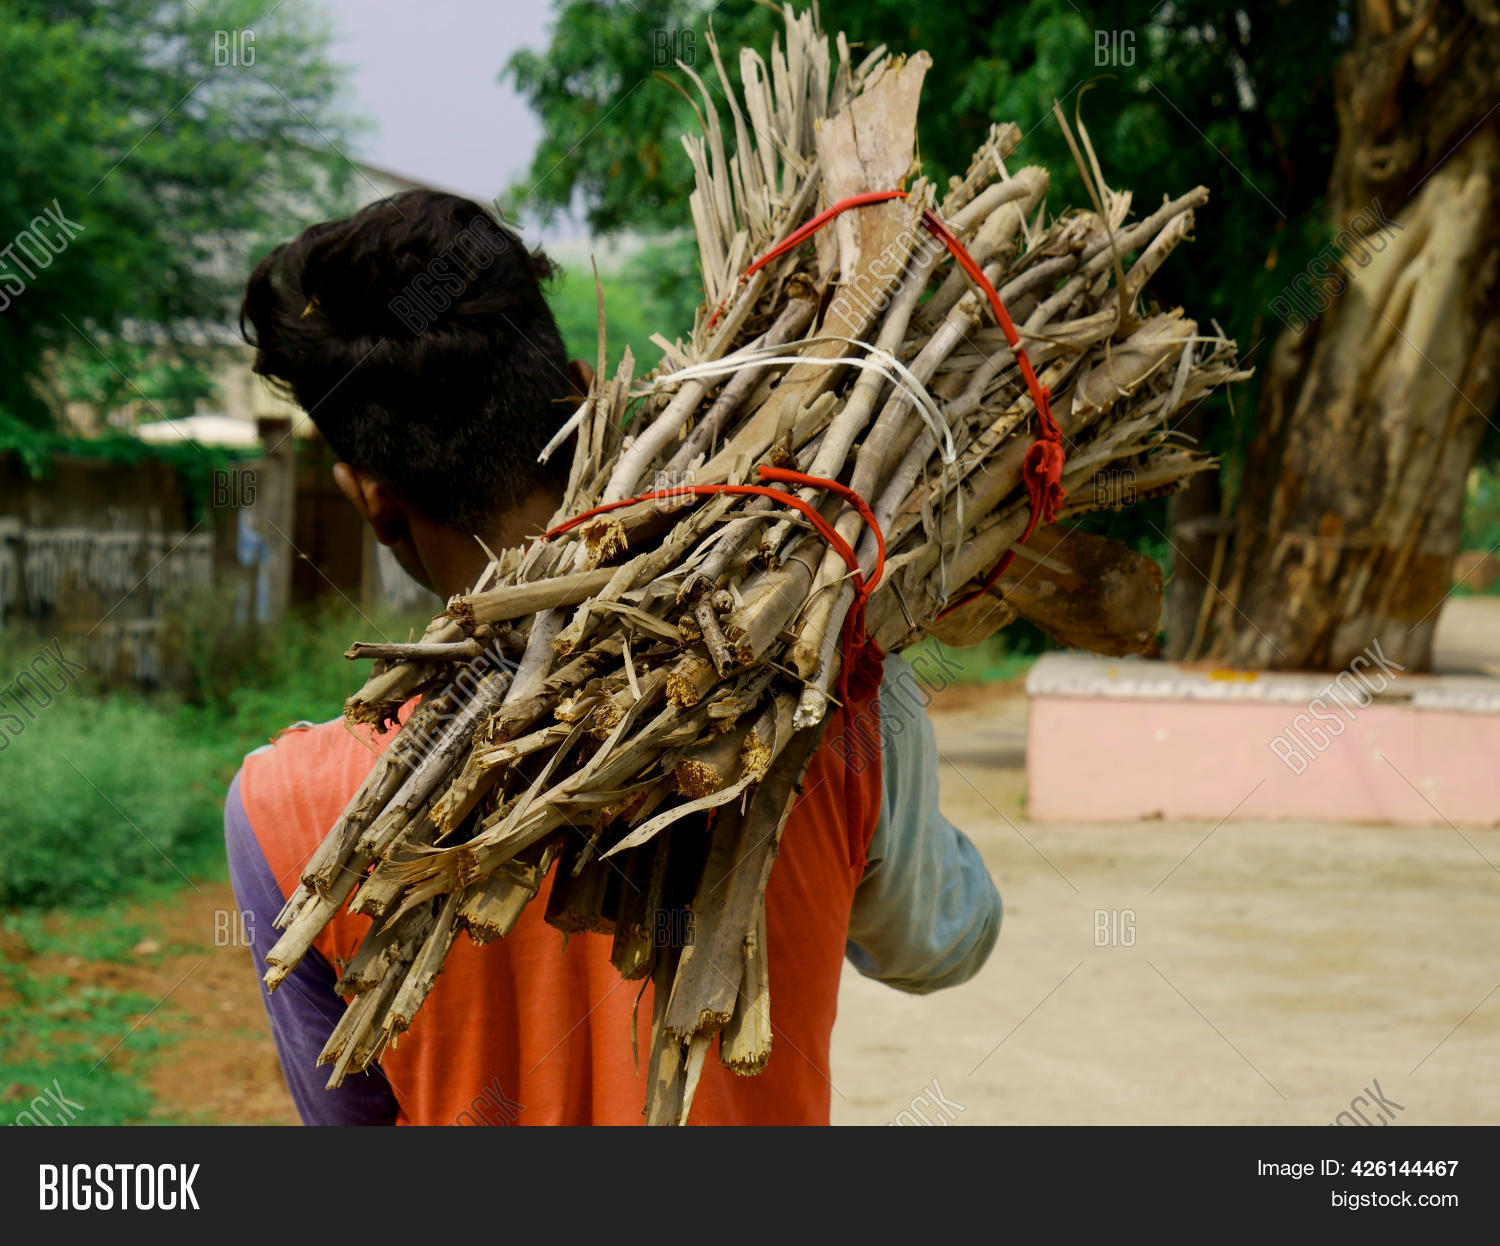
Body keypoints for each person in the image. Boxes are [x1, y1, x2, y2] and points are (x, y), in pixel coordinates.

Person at [227, 189, 1000, 1125]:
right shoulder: (832, 681)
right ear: (592, 393)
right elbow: (939, 943)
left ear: (370, 497)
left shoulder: (284, 811)